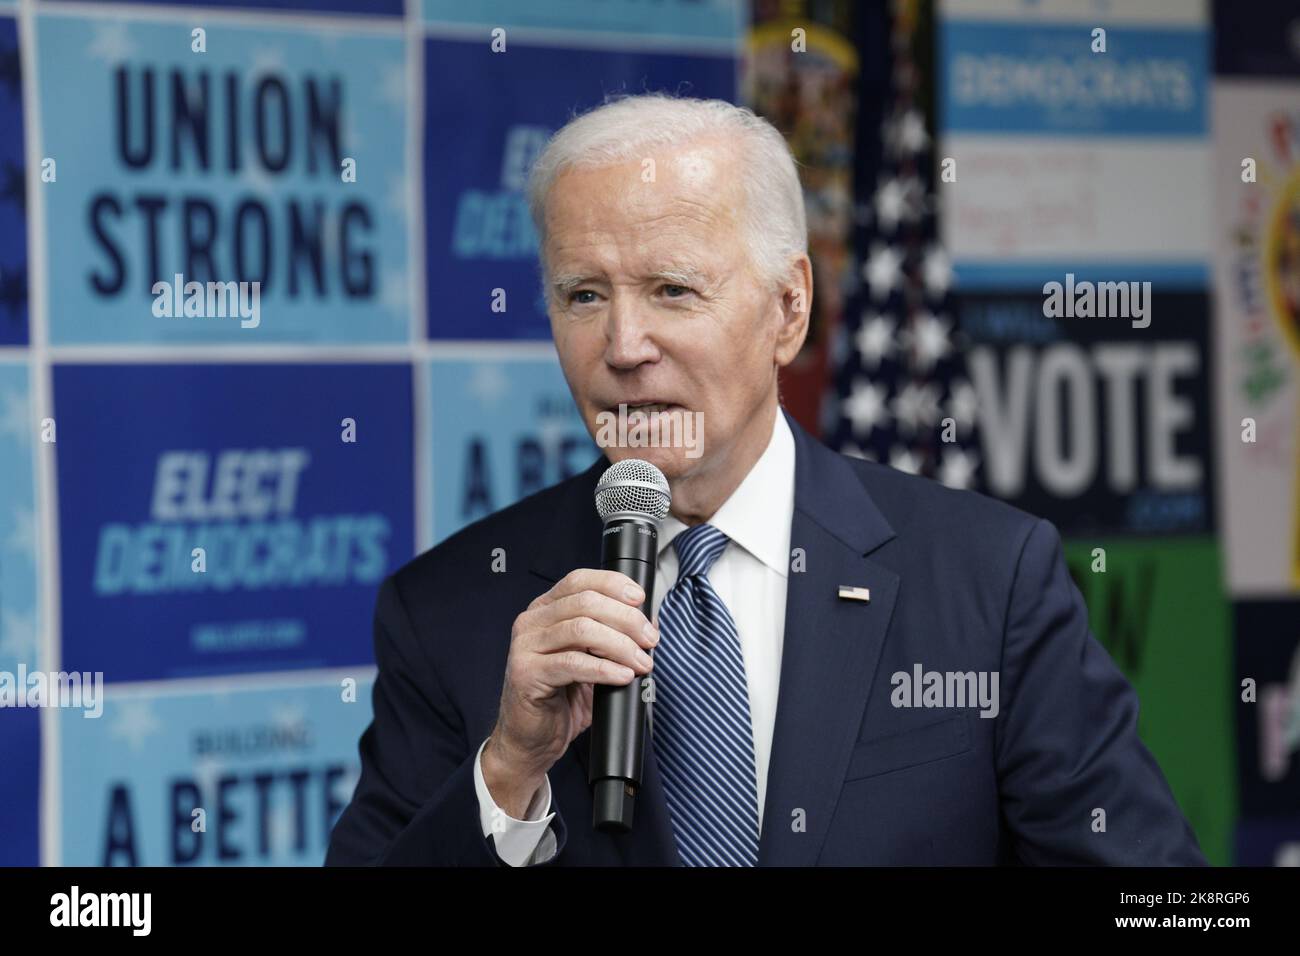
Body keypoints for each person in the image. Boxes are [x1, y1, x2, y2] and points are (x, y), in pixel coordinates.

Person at [325, 93, 1206, 867]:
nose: (623, 347)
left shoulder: (987, 580)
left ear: (789, 308)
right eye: (584, 296)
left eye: (672, 289)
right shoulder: (447, 612)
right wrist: (507, 773)